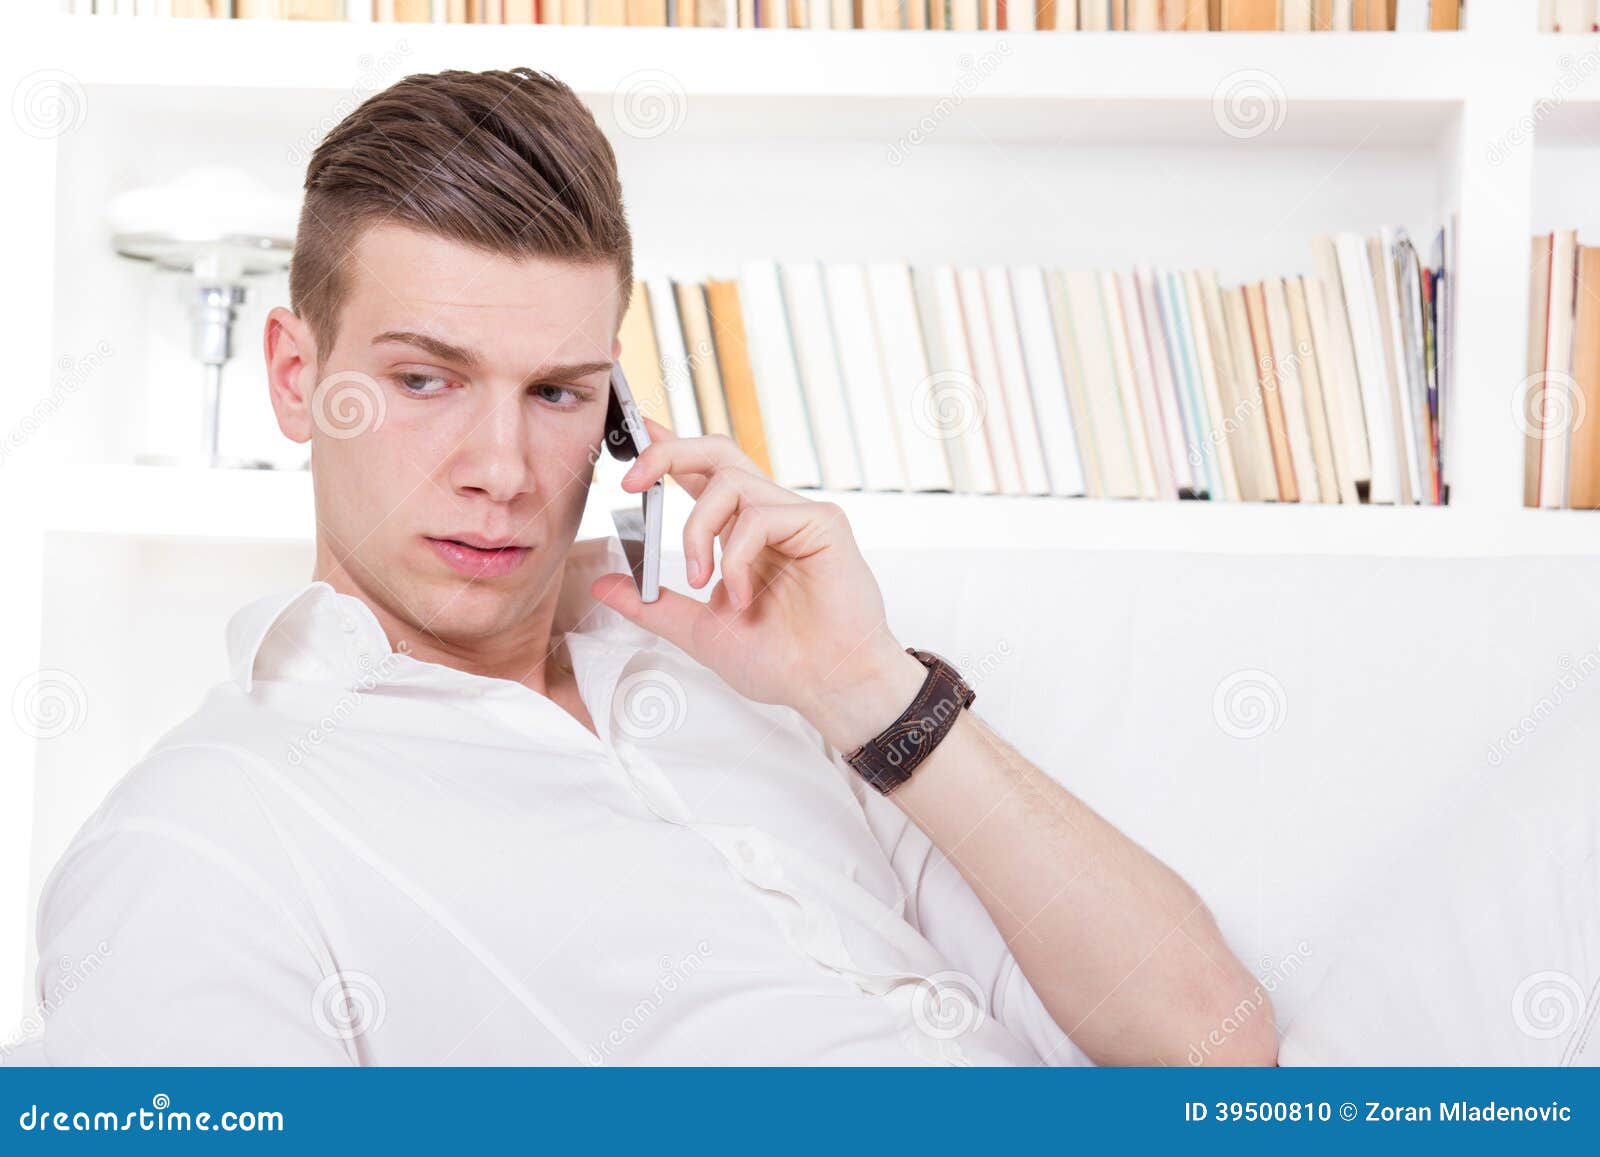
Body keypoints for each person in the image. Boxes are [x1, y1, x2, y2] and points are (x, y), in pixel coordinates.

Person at [20, 68, 1273, 1067]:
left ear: (618, 410)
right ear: (298, 378)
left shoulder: (768, 693)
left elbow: (1217, 1051)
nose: (502, 468)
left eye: (557, 393)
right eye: (424, 380)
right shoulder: (204, 836)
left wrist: (869, 692)